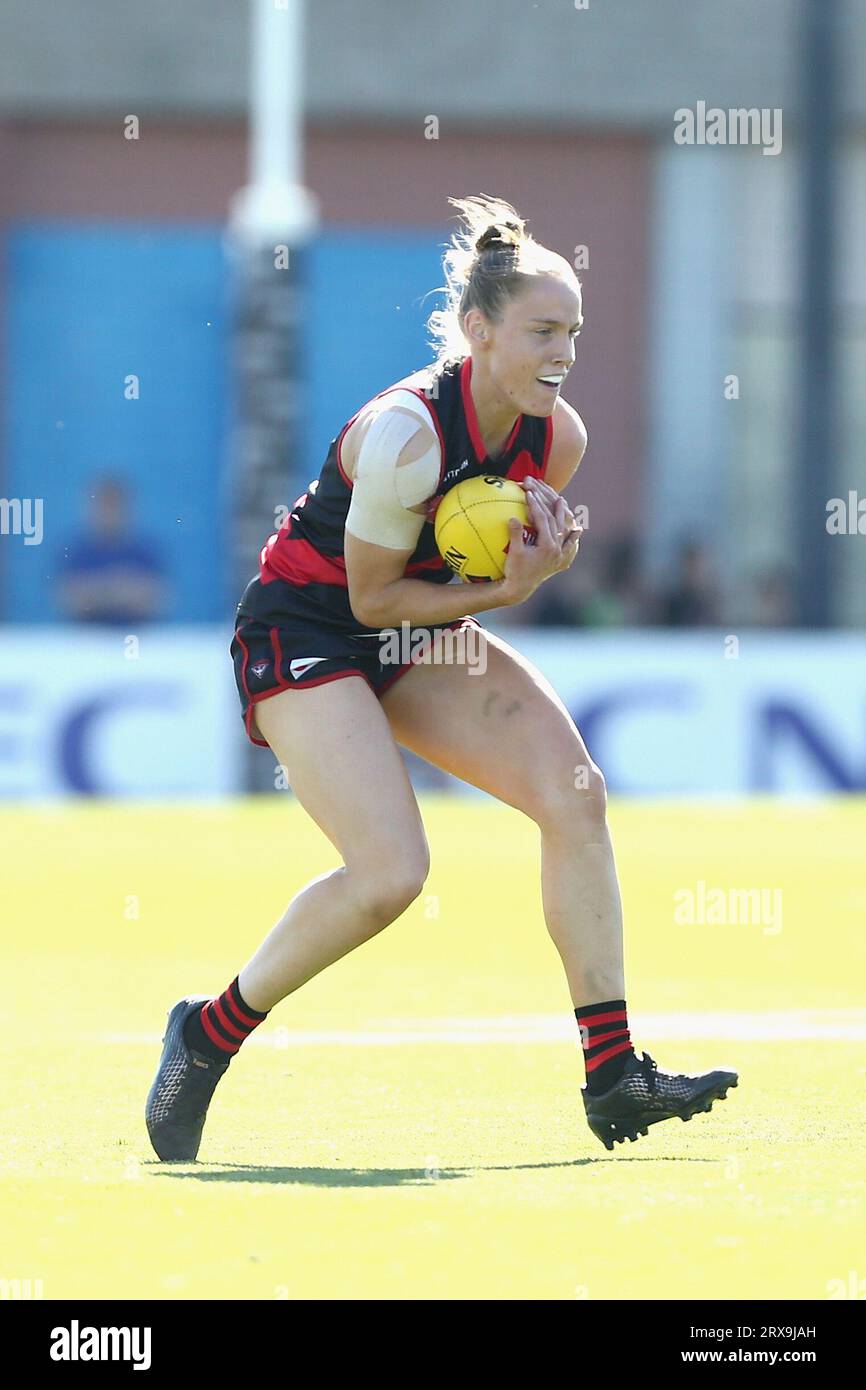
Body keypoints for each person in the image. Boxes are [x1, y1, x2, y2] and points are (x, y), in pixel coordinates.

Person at [146, 195, 737, 1160]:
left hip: (416, 626)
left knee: (575, 796)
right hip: (308, 627)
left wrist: (515, 573)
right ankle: (205, 1034)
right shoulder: (406, 435)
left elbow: (459, 572)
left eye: (574, 333)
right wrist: (509, 589)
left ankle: (614, 1073)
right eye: (543, 331)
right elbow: (373, 600)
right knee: (392, 876)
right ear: (477, 329)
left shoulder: (560, 439)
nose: (564, 353)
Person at [58, 478, 167, 627]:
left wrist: (97, 592)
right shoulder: (77, 552)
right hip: (86, 642)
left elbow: (158, 599)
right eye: (104, 506)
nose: (109, 513)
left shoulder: (145, 552)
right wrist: (116, 591)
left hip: (138, 639)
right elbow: (67, 600)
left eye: (115, 506)